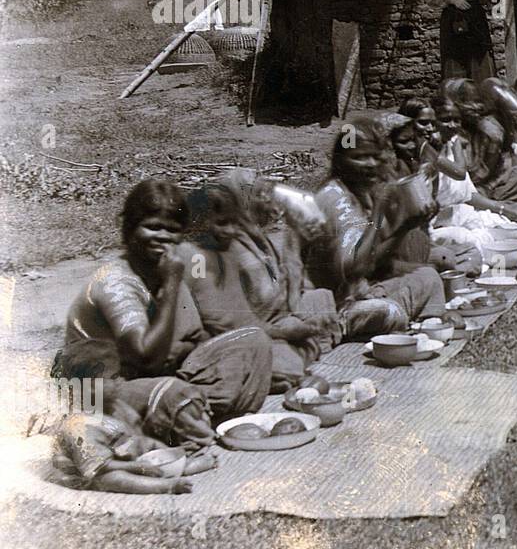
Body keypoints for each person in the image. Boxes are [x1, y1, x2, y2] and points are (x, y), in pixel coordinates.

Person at [53, 180, 274, 420]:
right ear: (128, 228)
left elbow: (195, 336)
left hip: (152, 376)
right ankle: (181, 416)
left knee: (254, 341)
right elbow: (145, 357)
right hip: (101, 388)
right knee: (177, 395)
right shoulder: (114, 281)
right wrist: (170, 285)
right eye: (152, 227)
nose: (162, 237)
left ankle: (184, 415)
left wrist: (209, 356)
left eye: (172, 230)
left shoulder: (163, 268)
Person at [185, 170, 341, 393]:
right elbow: (226, 323)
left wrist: (293, 245)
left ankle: (300, 351)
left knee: (321, 299)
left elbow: (285, 290)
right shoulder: (207, 255)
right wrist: (286, 331)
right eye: (260, 194)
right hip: (250, 333)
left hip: (270, 322)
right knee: (285, 361)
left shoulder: (251, 236)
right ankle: (295, 356)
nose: (269, 201)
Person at [308, 116, 446, 339]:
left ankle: (425, 323)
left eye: (374, 156)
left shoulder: (364, 189)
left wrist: (411, 224)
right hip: (339, 303)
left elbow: (377, 257)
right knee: (387, 311)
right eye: (359, 157)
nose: (371, 164)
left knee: (429, 275)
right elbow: (354, 267)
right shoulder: (334, 198)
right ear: (341, 161)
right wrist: (380, 212)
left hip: (367, 287)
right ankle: (340, 327)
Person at [51, 381, 217, 495]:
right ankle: (166, 486)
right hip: (89, 472)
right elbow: (99, 467)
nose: (119, 382)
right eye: (111, 379)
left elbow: (131, 437)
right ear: (91, 389)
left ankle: (183, 466)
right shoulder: (80, 426)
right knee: (114, 479)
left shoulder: (113, 406)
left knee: (157, 456)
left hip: (118, 456)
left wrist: (158, 449)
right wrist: (138, 467)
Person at [445, 78, 517, 204]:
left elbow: (496, 168)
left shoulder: (488, 129)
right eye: (468, 104)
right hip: (465, 191)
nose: (475, 108)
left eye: (477, 102)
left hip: (485, 186)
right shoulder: (450, 132)